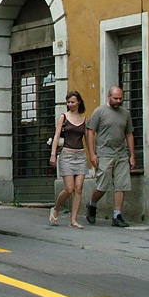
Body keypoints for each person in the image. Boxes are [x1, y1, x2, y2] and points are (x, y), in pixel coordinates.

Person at [85, 85, 135, 227]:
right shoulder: (100, 112)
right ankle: (92, 204)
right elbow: (90, 132)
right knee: (102, 185)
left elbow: (129, 134)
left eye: (120, 98)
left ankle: (117, 215)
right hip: (104, 153)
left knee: (121, 185)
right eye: (115, 98)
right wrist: (92, 154)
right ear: (109, 97)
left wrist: (132, 155)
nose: (118, 101)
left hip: (121, 153)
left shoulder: (125, 113)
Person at [48, 91, 92, 229]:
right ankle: (56, 208)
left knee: (78, 189)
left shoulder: (84, 119)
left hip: (80, 156)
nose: (70, 104)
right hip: (67, 155)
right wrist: (53, 154)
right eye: (68, 102)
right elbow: (56, 136)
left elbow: (88, 139)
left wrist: (92, 155)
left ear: (79, 102)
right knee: (69, 189)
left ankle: (73, 220)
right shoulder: (64, 117)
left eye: (73, 102)